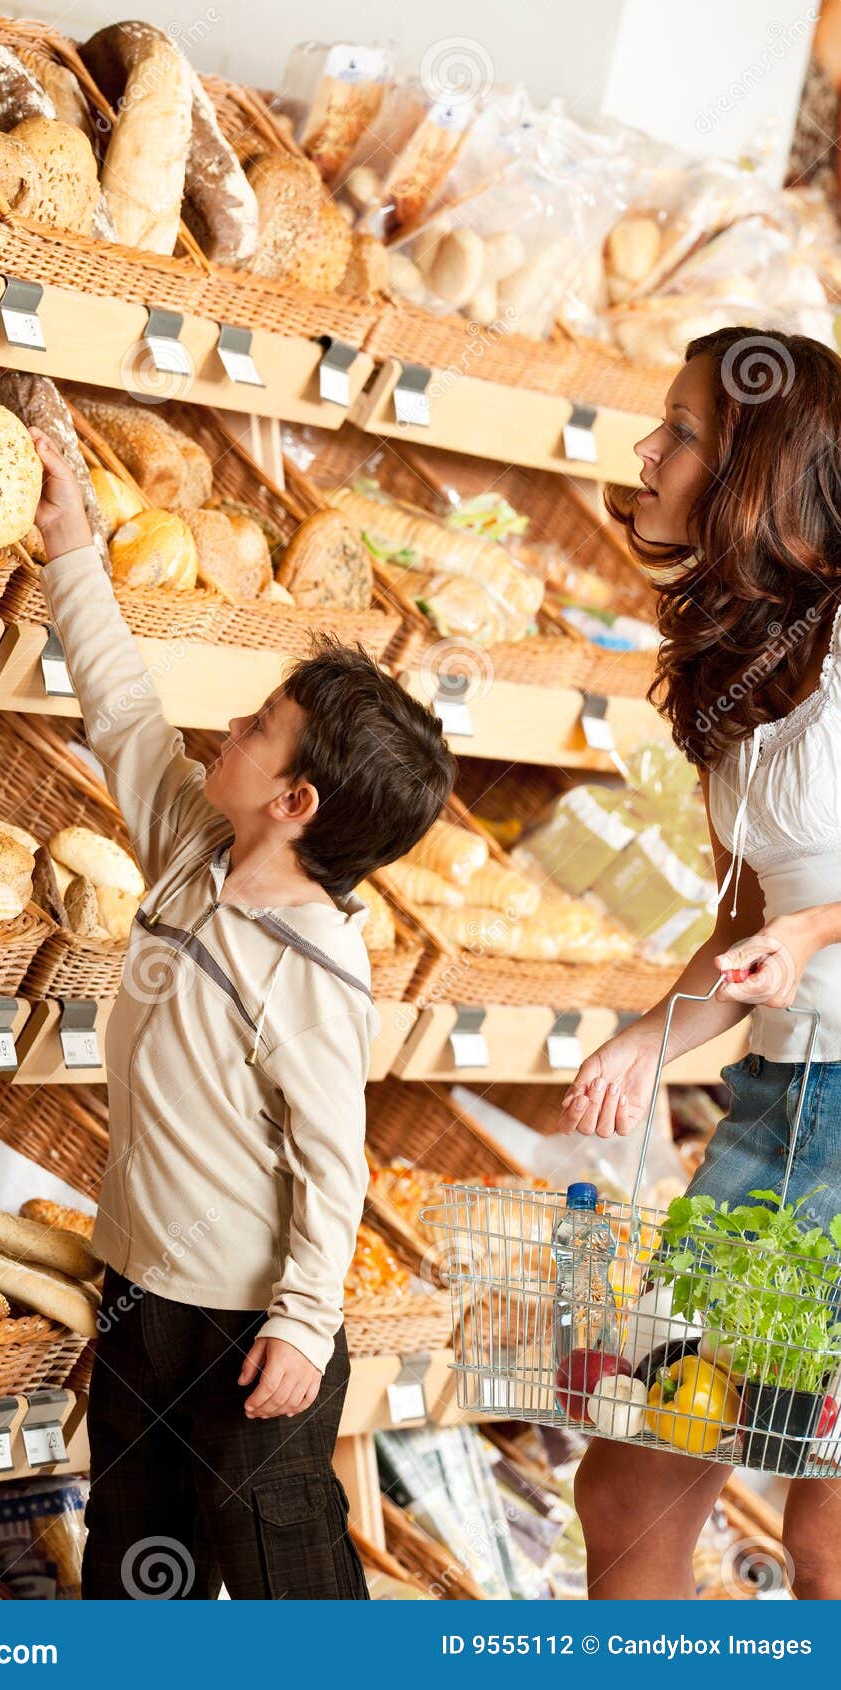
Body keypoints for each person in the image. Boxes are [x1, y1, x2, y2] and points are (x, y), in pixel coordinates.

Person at [29, 429, 456, 1600]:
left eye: (256, 726)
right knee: (132, 1549)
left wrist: (307, 1325)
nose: (229, 727)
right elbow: (120, 709)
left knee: (278, 1564)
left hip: (249, 1326)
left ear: (294, 801)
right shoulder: (190, 849)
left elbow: (333, 1163)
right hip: (140, 1290)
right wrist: (70, 541)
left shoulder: (315, 964)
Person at [559, 327, 841, 1600]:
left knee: (815, 1528)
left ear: (753, 475)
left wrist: (815, 931)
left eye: (677, 431)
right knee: (639, 1480)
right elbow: (737, 932)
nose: (647, 452)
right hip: (781, 1107)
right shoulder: (746, 682)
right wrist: (642, 1035)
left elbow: (790, 926)